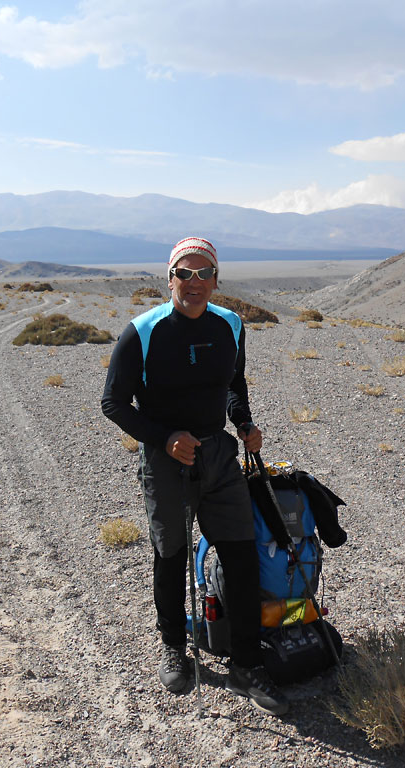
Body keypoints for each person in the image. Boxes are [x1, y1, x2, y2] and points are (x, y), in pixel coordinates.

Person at [101, 236, 289, 716]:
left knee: (242, 556)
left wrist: (243, 423)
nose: (195, 283)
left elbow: (232, 384)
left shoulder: (230, 325)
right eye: (185, 274)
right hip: (166, 460)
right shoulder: (141, 333)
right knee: (171, 553)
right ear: (170, 279)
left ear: (217, 280)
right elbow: (113, 403)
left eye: (205, 274)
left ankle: (247, 664)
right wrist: (164, 439)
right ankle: (173, 648)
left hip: (219, 456)